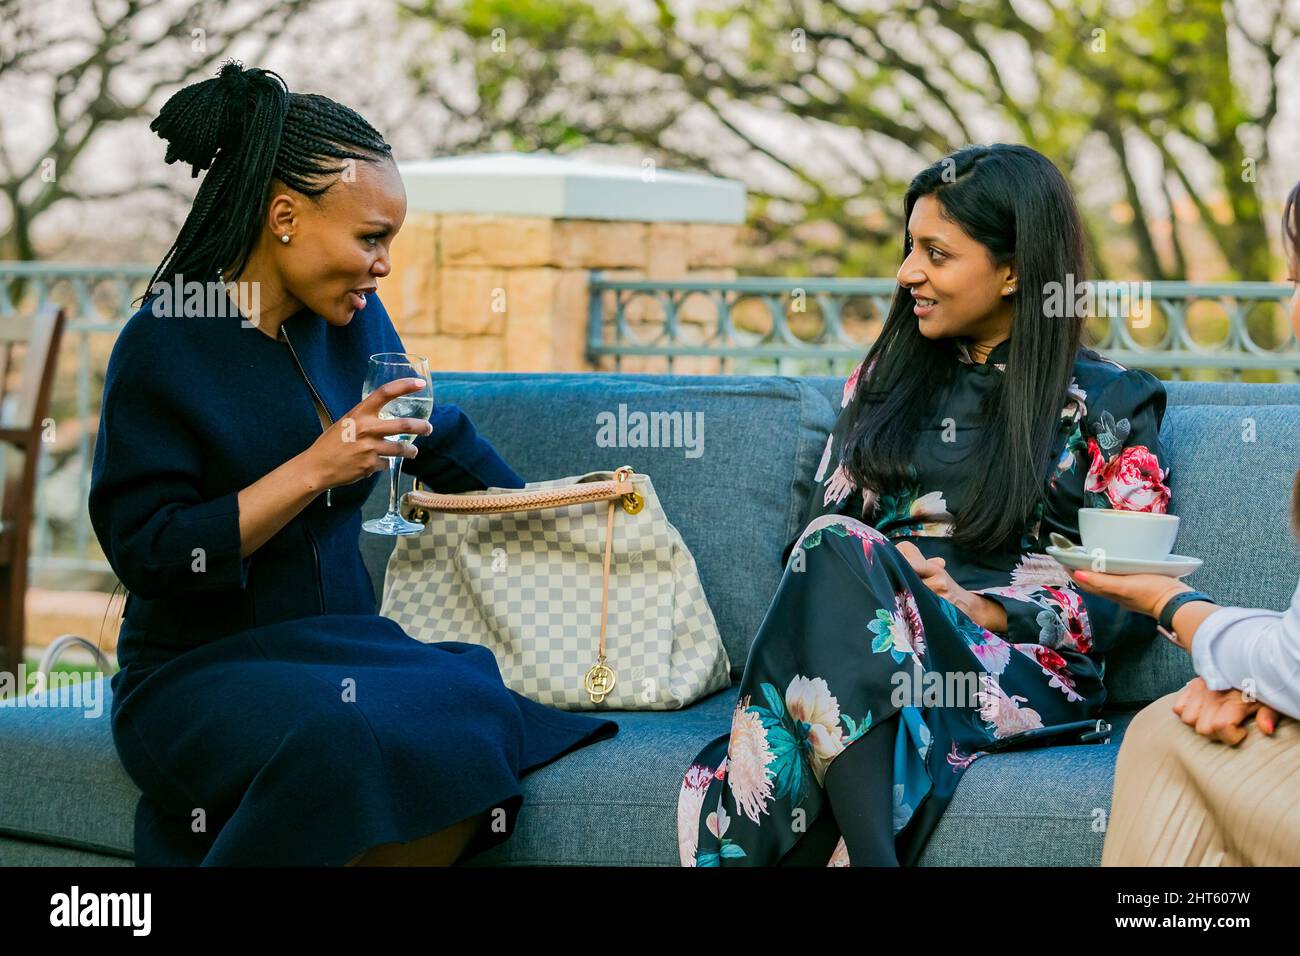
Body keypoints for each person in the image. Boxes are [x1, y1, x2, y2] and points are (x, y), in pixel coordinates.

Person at [90, 60, 618, 867]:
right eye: (371, 238)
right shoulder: (165, 344)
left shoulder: (353, 323)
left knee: (468, 692)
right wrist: (314, 468)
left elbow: (428, 427)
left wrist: (552, 518)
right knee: (343, 729)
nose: (383, 266)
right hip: (195, 675)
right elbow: (150, 552)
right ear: (284, 216)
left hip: (340, 645)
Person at [678, 143, 1175, 867]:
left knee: (836, 564)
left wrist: (983, 608)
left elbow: (1130, 592)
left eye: (936, 253)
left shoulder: (1105, 402)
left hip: (1009, 662)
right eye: (910, 248)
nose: (908, 273)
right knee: (833, 548)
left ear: (1012, 271)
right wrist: (887, 575)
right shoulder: (883, 380)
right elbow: (815, 551)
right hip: (874, 653)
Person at [1078, 180, 1300, 867]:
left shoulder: (1105, 399)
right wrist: (1256, 681)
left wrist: (1174, 606)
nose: (1291, 313)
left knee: (1163, 736)